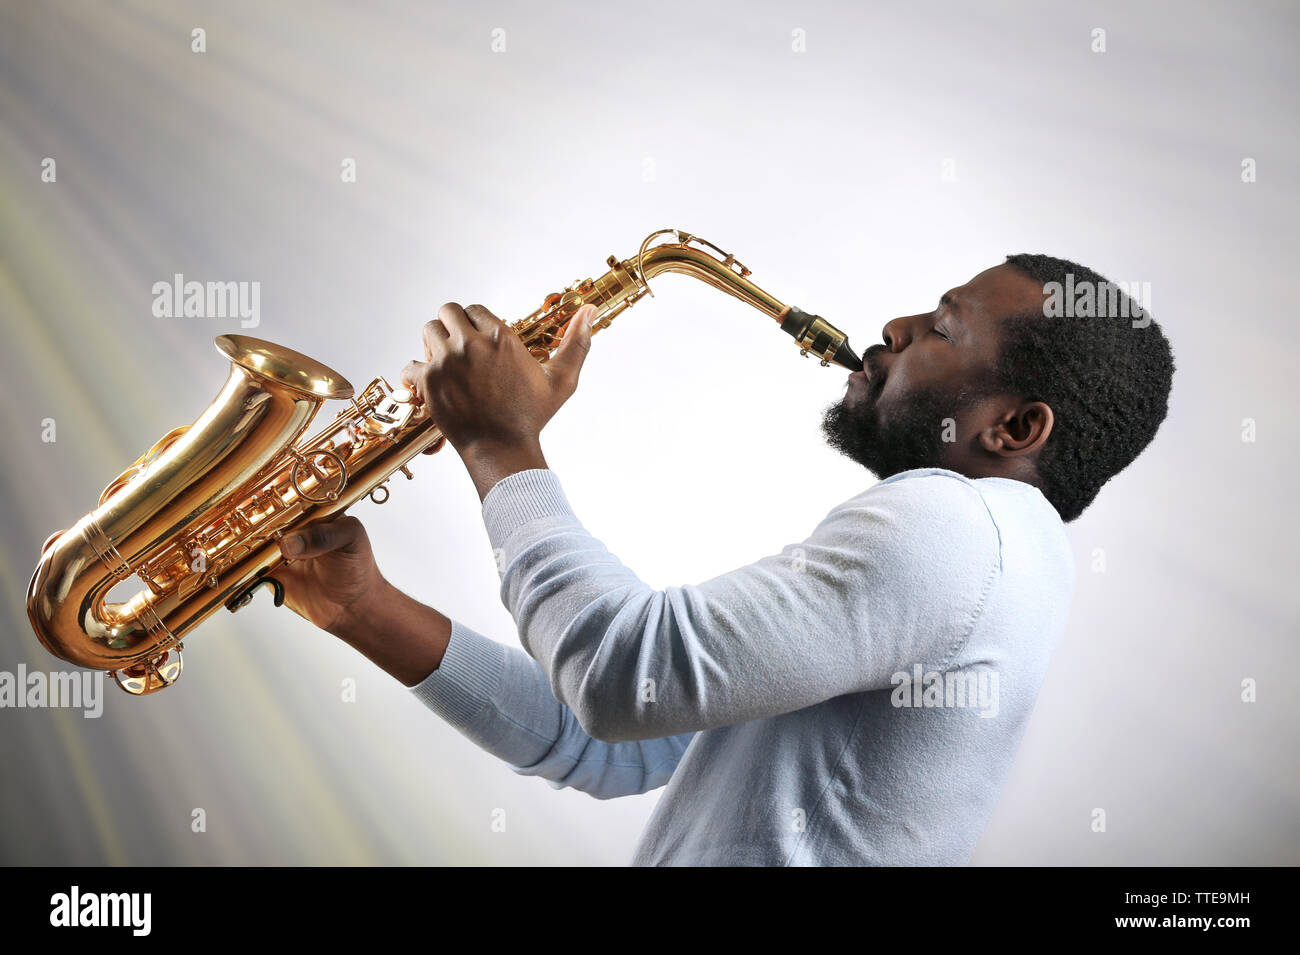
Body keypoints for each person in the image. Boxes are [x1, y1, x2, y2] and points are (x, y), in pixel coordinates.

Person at [272, 253, 1175, 865]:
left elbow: (627, 676)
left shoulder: (955, 526)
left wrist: (500, 446)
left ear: (1013, 428)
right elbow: (615, 747)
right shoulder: (998, 550)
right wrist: (363, 608)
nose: (893, 327)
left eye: (942, 329)